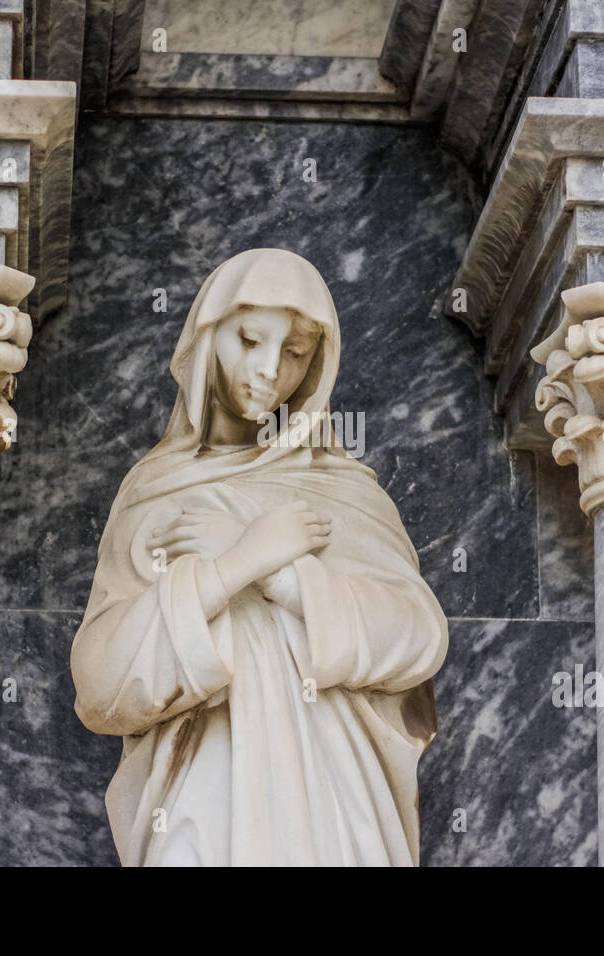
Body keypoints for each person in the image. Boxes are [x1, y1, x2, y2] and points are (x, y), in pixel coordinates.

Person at [71, 248, 448, 866]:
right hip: (205, 787)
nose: (269, 369)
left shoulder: (343, 488)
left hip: (332, 792)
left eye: (295, 351)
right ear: (209, 334)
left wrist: (286, 577)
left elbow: (418, 636)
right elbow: (100, 685)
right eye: (249, 339)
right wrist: (233, 566)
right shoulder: (154, 492)